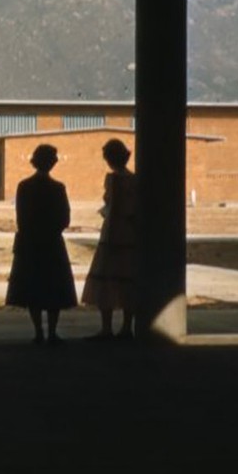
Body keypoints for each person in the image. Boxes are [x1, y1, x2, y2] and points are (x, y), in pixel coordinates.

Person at [5, 144, 78, 346]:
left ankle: (38, 332)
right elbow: (65, 219)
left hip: (29, 243)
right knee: (54, 289)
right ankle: (52, 332)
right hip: (52, 243)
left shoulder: (24, 186)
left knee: (33, 288)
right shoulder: (58, 188)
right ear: (51, 162)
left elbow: (21, 218)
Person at [81, 138, 136, 340]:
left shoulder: (113, 180)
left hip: (113, 233)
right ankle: (127, 327)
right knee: (127, 281)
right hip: (130, 235)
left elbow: (112, 207)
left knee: (107, 281)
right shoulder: (135, 179)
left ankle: (107, 328)